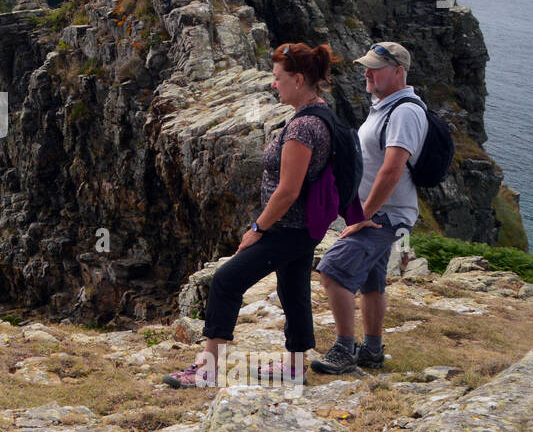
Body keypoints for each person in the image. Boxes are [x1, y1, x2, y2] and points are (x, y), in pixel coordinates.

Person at [163, 43, 339, 388]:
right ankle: (295, 366)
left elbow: (288, 190)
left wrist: (259, 228)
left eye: (278, 78)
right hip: (306, 227)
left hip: (287, 227)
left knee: (225, 281)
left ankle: (207, 370)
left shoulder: (303, 128)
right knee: (294, 290)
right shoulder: (321, 112)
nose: (273, 85)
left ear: (299, 79)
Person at [312, 41, 428, 374]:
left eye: (375, 68)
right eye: (367, 67)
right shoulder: (386, 105)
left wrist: (362, 217)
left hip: (385, 216)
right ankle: (372, 352)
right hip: (382, 212)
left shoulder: (405, 111)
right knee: (372, 282)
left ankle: (345, 350)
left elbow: (392, 168)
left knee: (333, 269)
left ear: (398, 72)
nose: (367, 73)